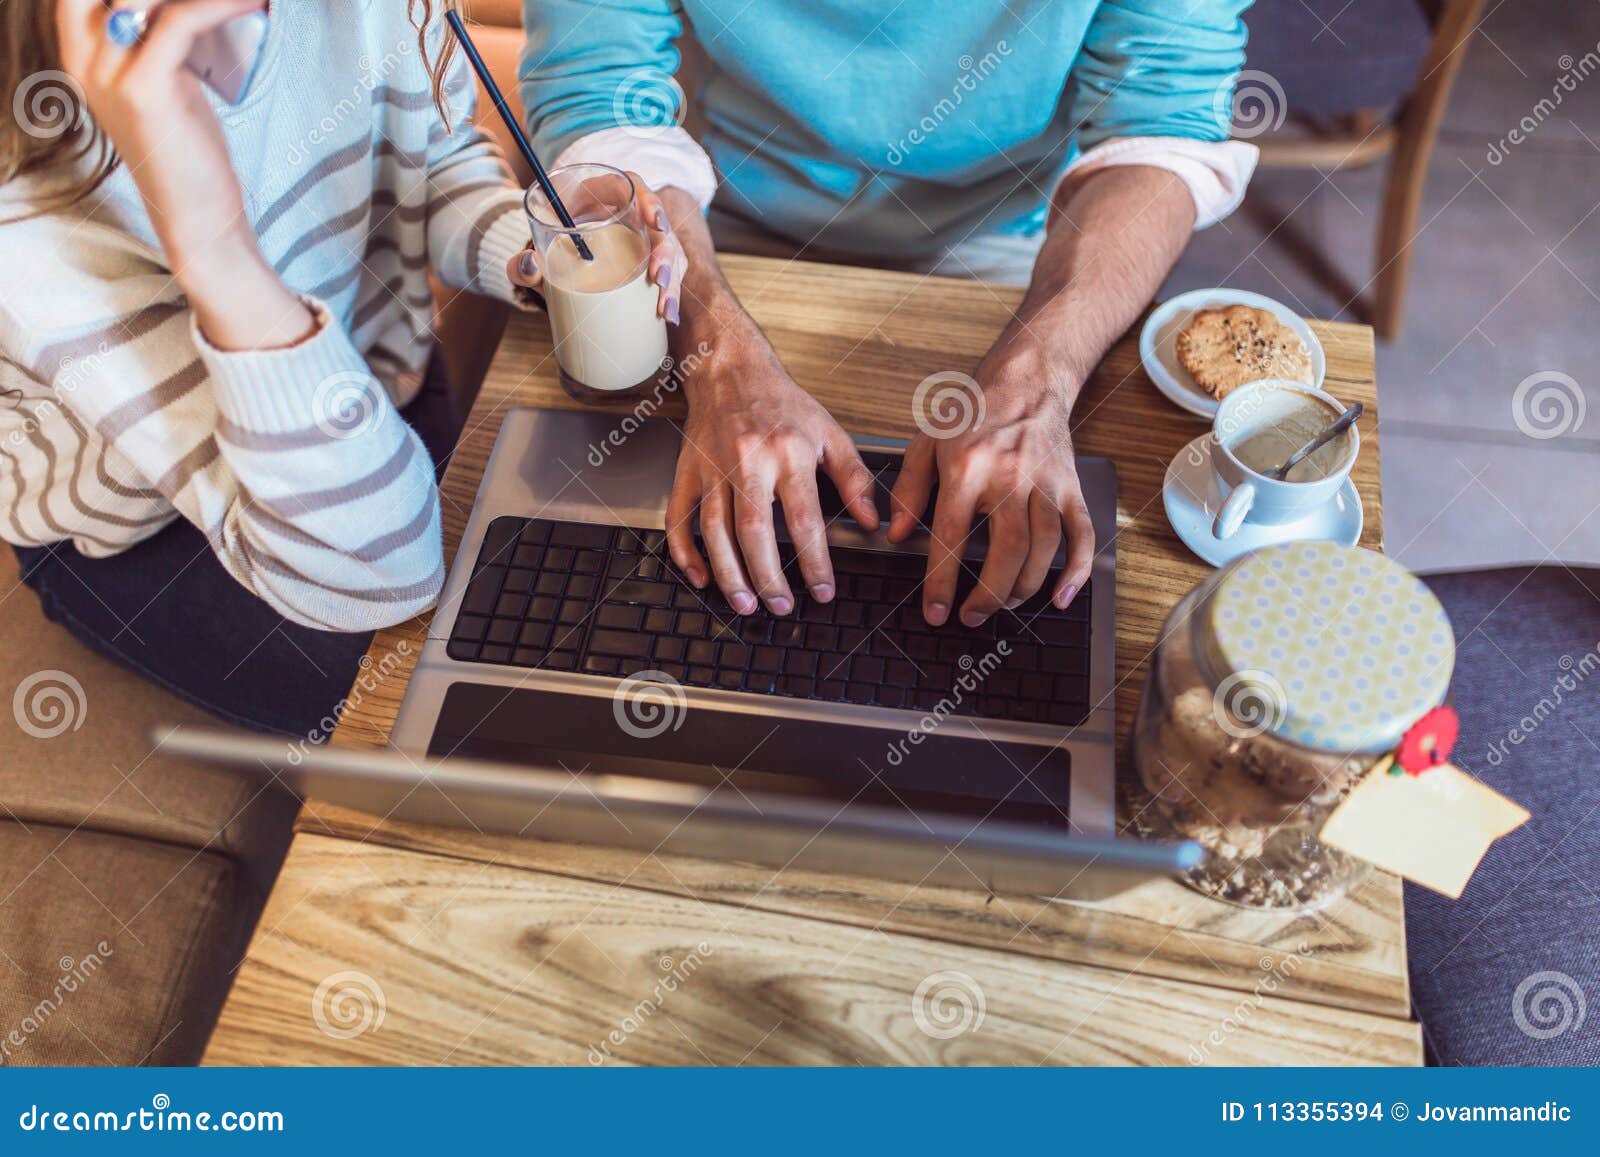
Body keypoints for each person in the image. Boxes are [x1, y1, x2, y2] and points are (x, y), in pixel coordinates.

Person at [0, 0, 683, 735]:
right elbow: (386, 574)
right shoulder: (28, 197)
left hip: (374, 393)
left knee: (620, 592)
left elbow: (429, 154)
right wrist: (215, 248)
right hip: (152, 534)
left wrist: (542, 245)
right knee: (501, 713)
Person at [516, 0, 1257, 628]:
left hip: (1004, 242)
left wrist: (1041, 372)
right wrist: (717, 357)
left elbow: (1162, 125)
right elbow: (600, 86)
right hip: (713, 225)